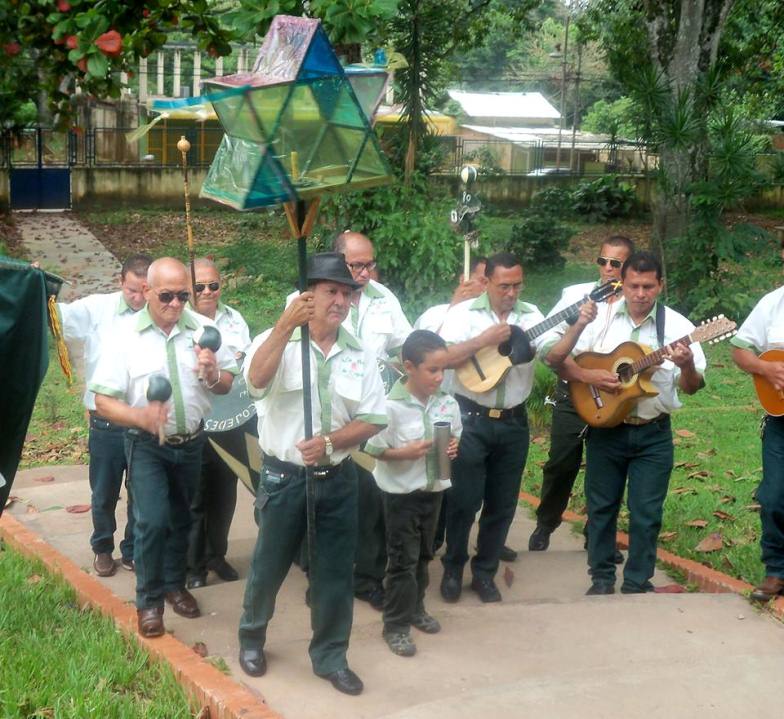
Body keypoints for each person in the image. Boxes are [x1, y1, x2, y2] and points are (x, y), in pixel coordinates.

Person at [238, 252, 387, 696]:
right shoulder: (275, 339)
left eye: (347, 292)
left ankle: (330, 657)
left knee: (336, 574)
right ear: (309, 295)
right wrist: (286, 327)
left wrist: (332, 442)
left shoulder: (359, 353)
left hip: (337, 479)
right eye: (330, 291)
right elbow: (255, 384)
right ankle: (251, 638)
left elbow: (375, 417)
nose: (340, 300)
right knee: (268, 568)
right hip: (284, 478)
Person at [90, 257, 236, 638]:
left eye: (183, 296)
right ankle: (150, 602)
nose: (176, 304)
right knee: (152, 522)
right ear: (147, 292)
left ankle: (175, 585)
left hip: (192, 444)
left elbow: (227, 385)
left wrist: (213, 373)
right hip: (147, 445)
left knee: (183, 518)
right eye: (167, 296)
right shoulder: (125, 337)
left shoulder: (203, 330)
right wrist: (140, 418)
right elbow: (102, 400)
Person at [545, 251, 706, 595]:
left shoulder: (678, 328)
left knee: (646, 512)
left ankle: (637, 582)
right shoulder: (600, 318)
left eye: (648, 286)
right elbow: (562, 362)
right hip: (606, 427)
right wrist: (590, 374)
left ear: (660, 285)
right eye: (634, 285)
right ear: (624, 283)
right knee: (601, 507)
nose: (640, 294)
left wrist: (688, 365)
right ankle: (601, 579)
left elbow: (691, 388)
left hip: (654, 432)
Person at [438, 252, 547, 603]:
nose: (511, 293)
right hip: (469, 417)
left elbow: (554, 353)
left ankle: (484, 573)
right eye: (504, 286)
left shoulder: (532, 316)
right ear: (487, 283)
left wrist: (576, 326)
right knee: (463, 500)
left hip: (514, 421)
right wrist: (482, 341)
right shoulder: (462, 314)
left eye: (517, 285)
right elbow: (441, 359)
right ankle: (453, 568)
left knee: (503, 503)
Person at [529, 236, 633, 555]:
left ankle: (597, 535)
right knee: (561, 462)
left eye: (615, 264)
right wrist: (579, 372)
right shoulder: (576, 295)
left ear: (627, 267)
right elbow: (548, 339)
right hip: (572, 390)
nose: (606, 268)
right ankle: (546, 522)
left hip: (612, 396)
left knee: (608, 470)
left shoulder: (636, 301)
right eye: (602, 261)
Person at [364, 330, 462, 657]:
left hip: (433, 491)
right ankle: (395, 625)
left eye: (443, 369)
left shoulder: (447, 403)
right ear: (409, 367)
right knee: (402, 562)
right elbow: (374, 450)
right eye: (432, 370)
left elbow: (454, 439)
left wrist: (452, 447)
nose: (440, 376)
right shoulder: (389, 407)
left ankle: (416, 608)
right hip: (400, 496)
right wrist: (402, 454)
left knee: (424, 555)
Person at [58, 253, 152, 577]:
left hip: (143, 422)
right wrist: (39, 287)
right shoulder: (97, 308)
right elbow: (56, 316)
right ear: (120, 283)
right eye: (132, 291)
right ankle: (102, 548)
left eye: (146, 290)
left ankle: (133, 550)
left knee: (141, 492)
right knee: (104, 493)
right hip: (106, 421)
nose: (139, 299)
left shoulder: (162, 314)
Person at [336, 231, 412, 611]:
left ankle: (366, 577)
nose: (366, 273)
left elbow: (405, 347)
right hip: (329, 416)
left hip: (371, 416)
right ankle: (324, 575)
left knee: (372, 496)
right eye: (357, 265)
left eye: (370, 264)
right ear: (338, 263)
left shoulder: (384, 299)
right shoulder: (315, 297)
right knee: (328, 500)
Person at [186, 258, 252, 589]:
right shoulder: (184, 324)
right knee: (196, 498)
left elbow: (244, 365)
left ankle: (217, 556)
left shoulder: (234, 320)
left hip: (230, 422)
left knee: (225, 494)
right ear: (188, 289)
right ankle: (194, 566)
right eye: (199, 287)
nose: (208, 292)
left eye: (214, 285)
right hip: (198, 424)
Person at [731, 277, 784, 602]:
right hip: (781, 420)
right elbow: (740, 350)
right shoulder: (773, 302)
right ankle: (776, 571)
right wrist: (766, 370)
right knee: (774, 497)